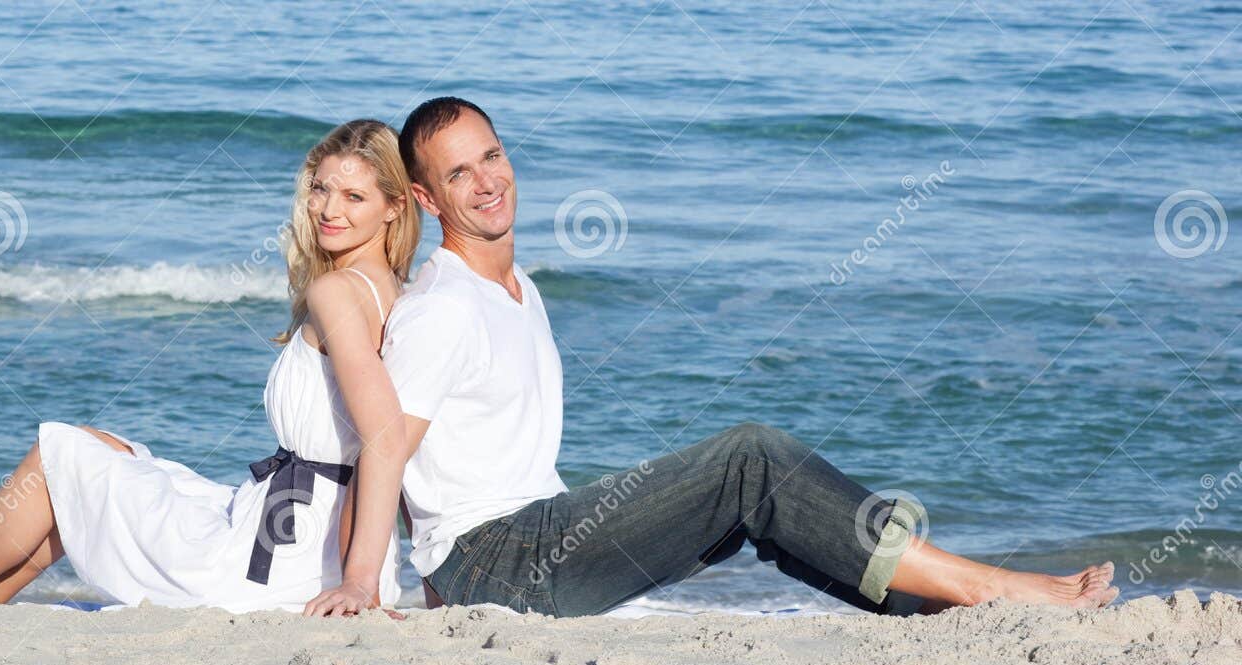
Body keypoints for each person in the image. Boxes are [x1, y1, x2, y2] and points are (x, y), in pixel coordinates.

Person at [370, 96, 1119, 618]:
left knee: (756, 502)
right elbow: (385, 453)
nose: (488, 181)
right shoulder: (442, 306)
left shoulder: (516, 288)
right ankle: (987, 585)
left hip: (529, 541)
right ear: (427, 199)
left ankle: (924, 598)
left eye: (491, 156)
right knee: (750, 460)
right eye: (459, 173)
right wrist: (377, 585)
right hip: (503, 561)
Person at [0, 119, 418, 614]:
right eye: (321, 189)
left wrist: (359, 584)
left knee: (56, 457)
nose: (328, 210)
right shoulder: (394, 290)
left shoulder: (336, 292)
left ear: (394, 206)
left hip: (281, 557)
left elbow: (386, 438)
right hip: (309, 534)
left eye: (354, 196)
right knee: (95, 455)